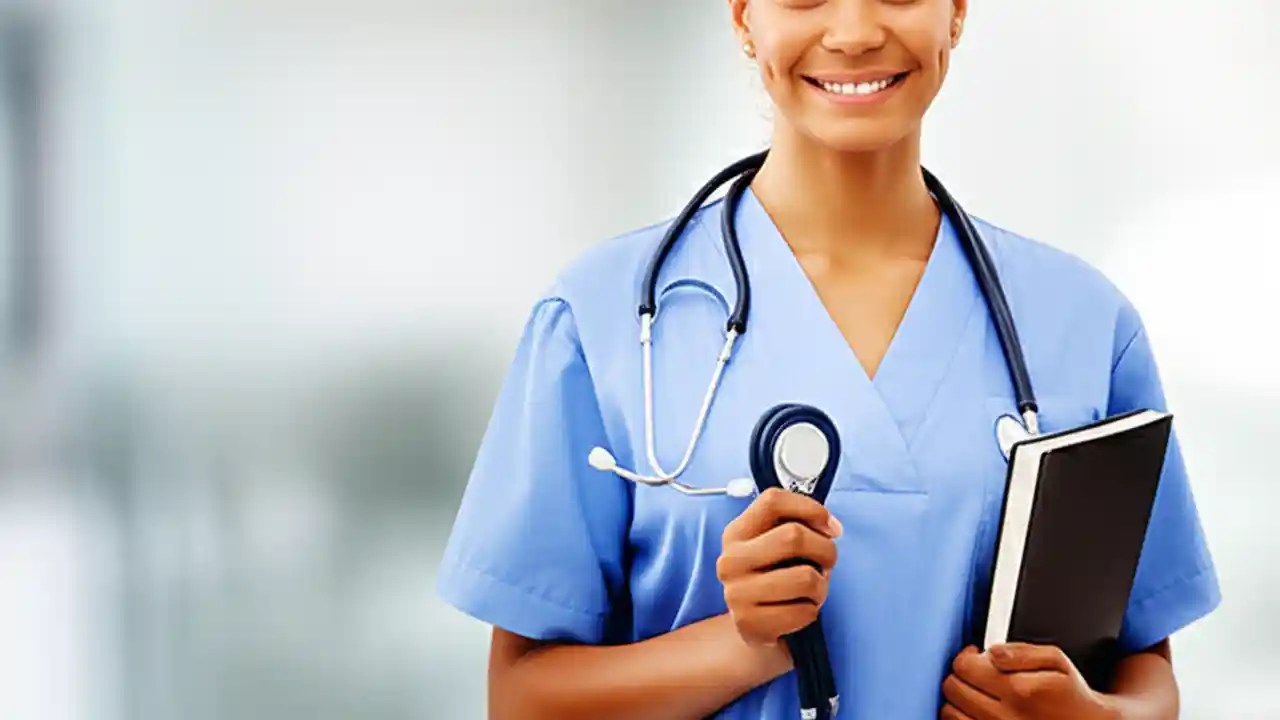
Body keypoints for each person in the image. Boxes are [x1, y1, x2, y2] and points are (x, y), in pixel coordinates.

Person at [435, 0, 1221, 717]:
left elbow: (1146, 674)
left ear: (956, 13)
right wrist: (741, 644)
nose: (853, 32)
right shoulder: (599, 317)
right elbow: (523, 698)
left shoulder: (1083, 324)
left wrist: (1098, 718)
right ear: (744, 17)